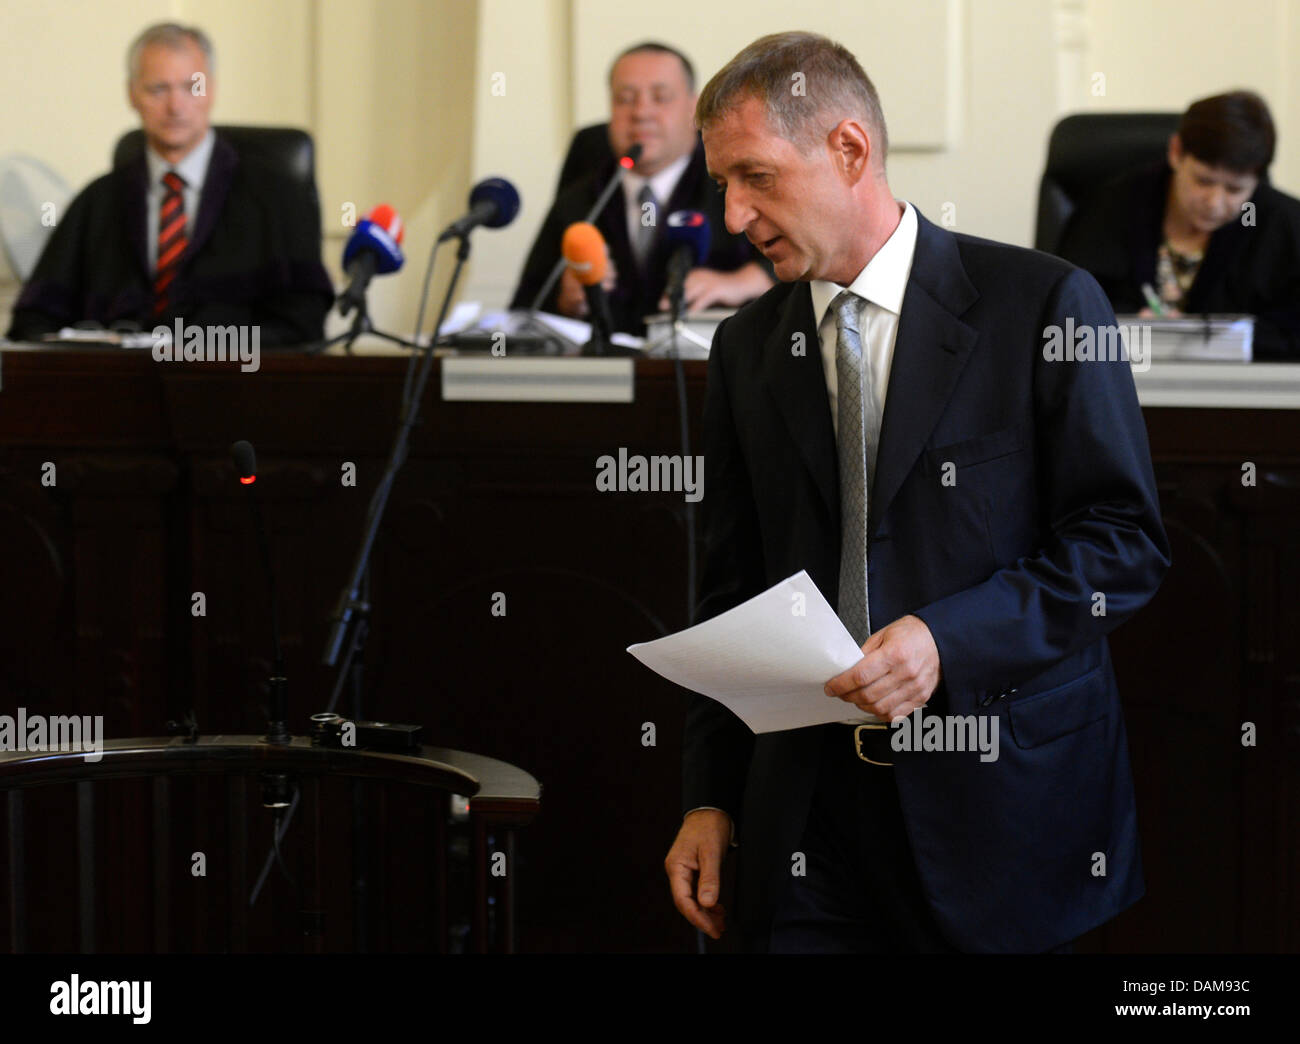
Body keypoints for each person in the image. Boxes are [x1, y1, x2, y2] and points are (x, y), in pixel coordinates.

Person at [662, 32, 1171, 954]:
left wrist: (947, 639)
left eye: (755, 177)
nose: (732, 215)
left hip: (1004, 811)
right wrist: (709, 797)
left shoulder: (1047, 305)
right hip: (808, 824)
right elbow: (730, 588)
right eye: (722, 184)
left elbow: (1122, 543)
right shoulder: (745, 347)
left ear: (849, 150)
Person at [7, 22, 333, 346]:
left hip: (234, 385)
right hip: (118, 388)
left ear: (212, 91)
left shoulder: (279, 198)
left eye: (192, 87)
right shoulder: (96, 202)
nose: (176, 107)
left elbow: (305, 325)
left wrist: (203, 348)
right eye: (158, 89)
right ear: (132, 94)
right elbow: (32, 322)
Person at [509, 42, 773, 336]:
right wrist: (566, 301)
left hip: (707, 369)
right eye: (625, 99)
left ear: (692, 108)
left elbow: (806, 260)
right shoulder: (585, 192)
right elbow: (523, 309)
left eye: (660, 97)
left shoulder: (732, 177)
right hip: (611, 374)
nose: (641, 112)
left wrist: (746, 279)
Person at [1056, 90, 1300, 360]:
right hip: (1124, 377)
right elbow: (1067, 308)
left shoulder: (1284, 225)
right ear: (1175, 153)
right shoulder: (1111, 207)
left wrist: (1217, 339)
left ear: (1257, 179)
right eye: (1203, 181)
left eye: (1234, 190)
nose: (1215, 203)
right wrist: (1124, 323)